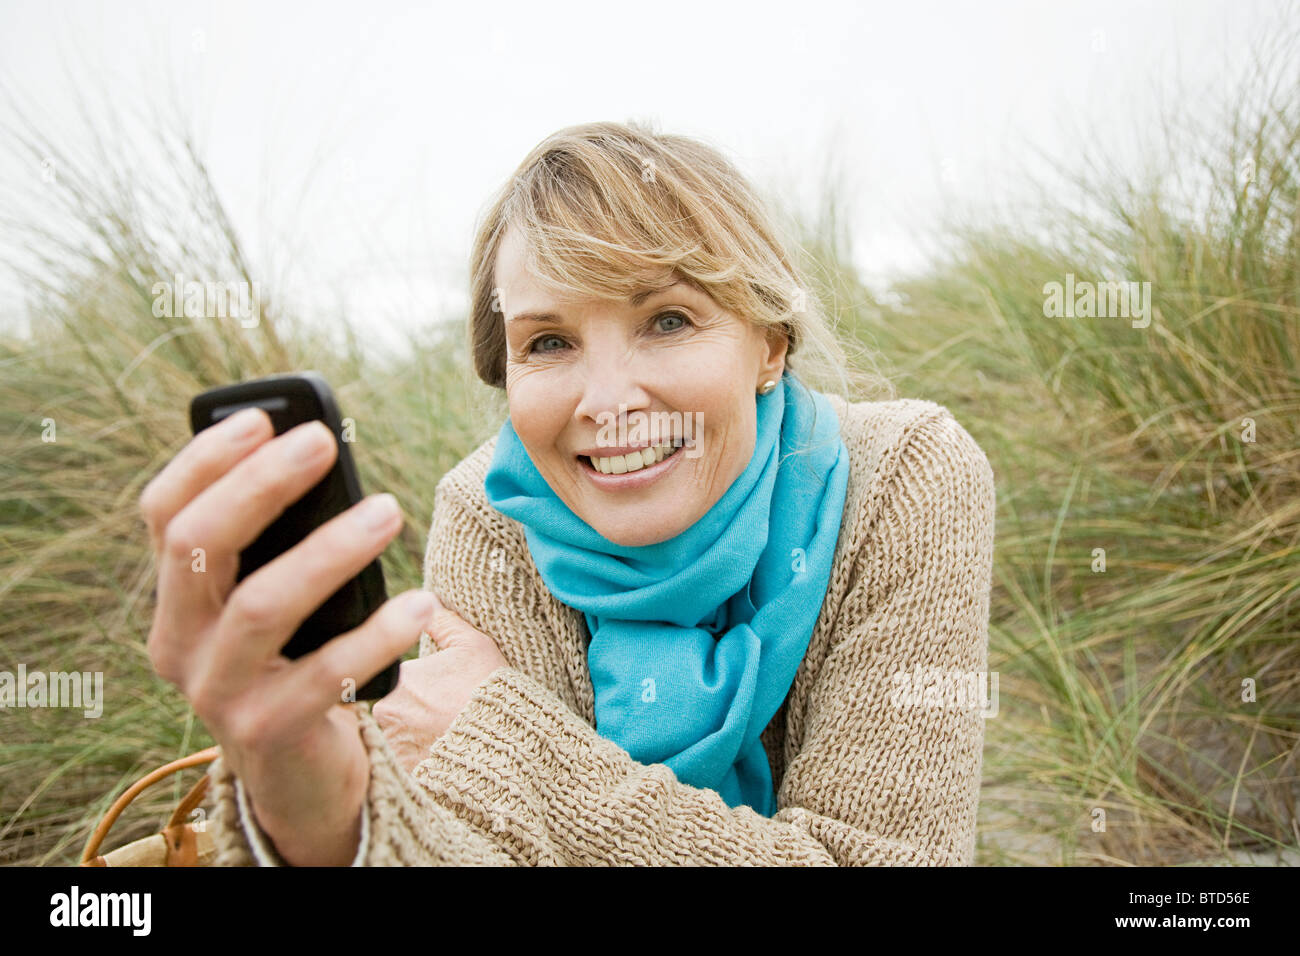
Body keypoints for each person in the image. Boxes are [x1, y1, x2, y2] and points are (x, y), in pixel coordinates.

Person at [140, 120, 996, 866]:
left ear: (770, 345)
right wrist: (319, 808)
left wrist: (509, 737)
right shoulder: (494, 517)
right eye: (548, 341)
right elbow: (480, 845)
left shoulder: (905, 476)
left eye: (667, 320)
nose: (606, 401)